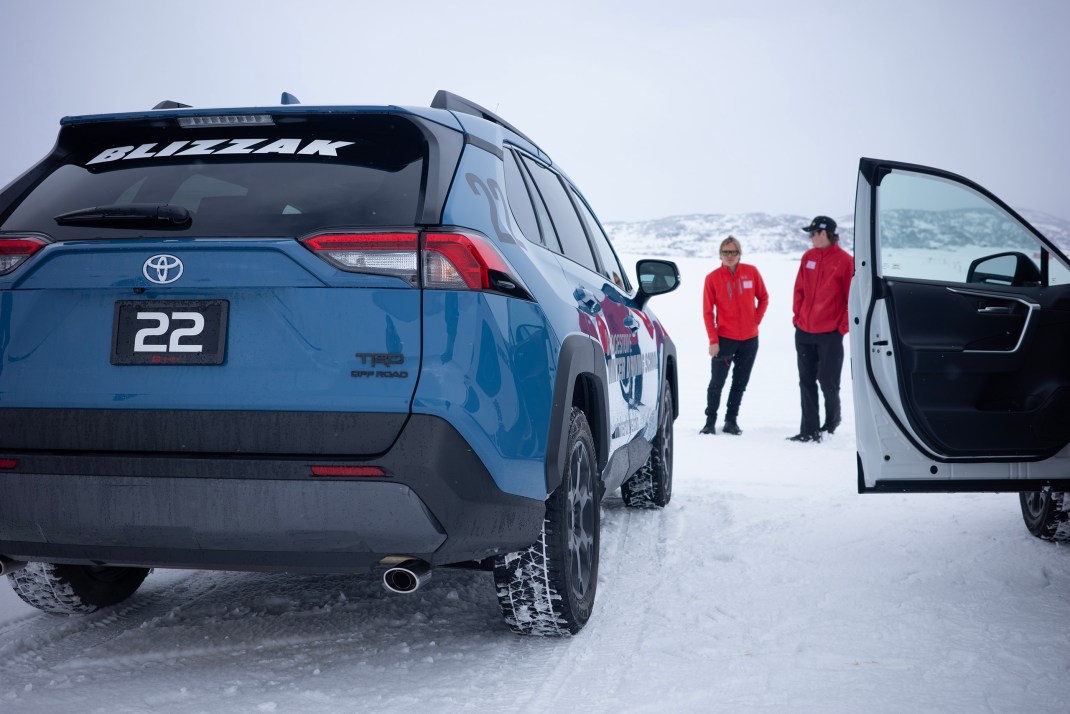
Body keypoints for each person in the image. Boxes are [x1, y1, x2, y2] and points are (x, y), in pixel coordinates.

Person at [788, 215, 854, 443]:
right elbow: (799, 289)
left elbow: (851, 298)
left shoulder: (846, 261)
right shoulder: (808, 257)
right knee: (806, 381)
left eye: (812, 233)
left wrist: (841, 327)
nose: (810, 237)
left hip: (830, 335)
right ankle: (809, 430)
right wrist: (798, 317)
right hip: (804, 331)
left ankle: (832, 422)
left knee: (828, 382)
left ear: (824, 233)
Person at [700, 236, 768, 435]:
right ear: (720, 255)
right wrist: (713, 340)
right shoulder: (712, 278)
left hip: (749, 340)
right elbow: (707, 312)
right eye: (726, 252)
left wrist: (755, 319)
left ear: (739, 254)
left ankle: (731, 421)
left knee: (739, 383)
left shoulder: (751, 272)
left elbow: (763, 297)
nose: (730, 256)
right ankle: (710, 422)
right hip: (724, 340)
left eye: (733, 252)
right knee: (716, 384)